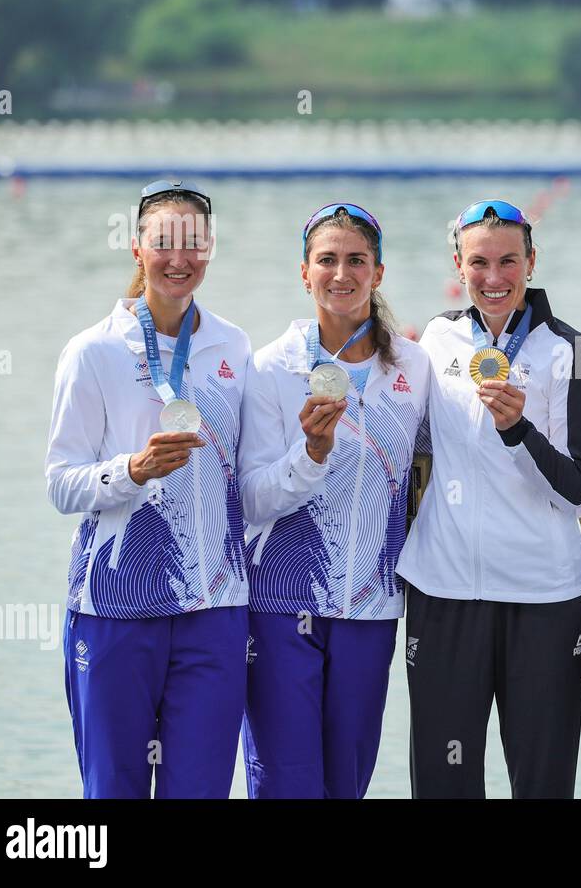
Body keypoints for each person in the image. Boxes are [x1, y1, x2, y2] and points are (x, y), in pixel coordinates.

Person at [46, 179, 251, 798]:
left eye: (193, 244)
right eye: (164, 243)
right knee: (114, 791)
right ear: (137, 248)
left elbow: (248, 478)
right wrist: (130, 471)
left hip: (213, 607)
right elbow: (60, 484)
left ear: (210, 250)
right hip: (114, 607)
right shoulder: (93, 352)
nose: (179, 259)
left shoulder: (234, 347)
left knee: (200, 790)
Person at [395, 199, 581, 798]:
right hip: (444, 593)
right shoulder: (434, 338)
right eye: (479, 262)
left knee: (542, 783)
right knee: (443, 783)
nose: (493, 278)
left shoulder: (575, 351)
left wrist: (520, 431)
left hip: (542, 598)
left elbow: (579, 489)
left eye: (508, 261)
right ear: (457, 264)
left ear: (531, 262)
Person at [236, 203, 430, 798]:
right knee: (286, 783)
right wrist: (310, 454)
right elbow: (250, 501)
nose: (341, 274)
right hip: (280, 607)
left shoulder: (416, 368)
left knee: (347, 783)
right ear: (304, 273)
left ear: (378, 272)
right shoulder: (270, 368)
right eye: (327, 260)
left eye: (356, 260)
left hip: (371, 610)